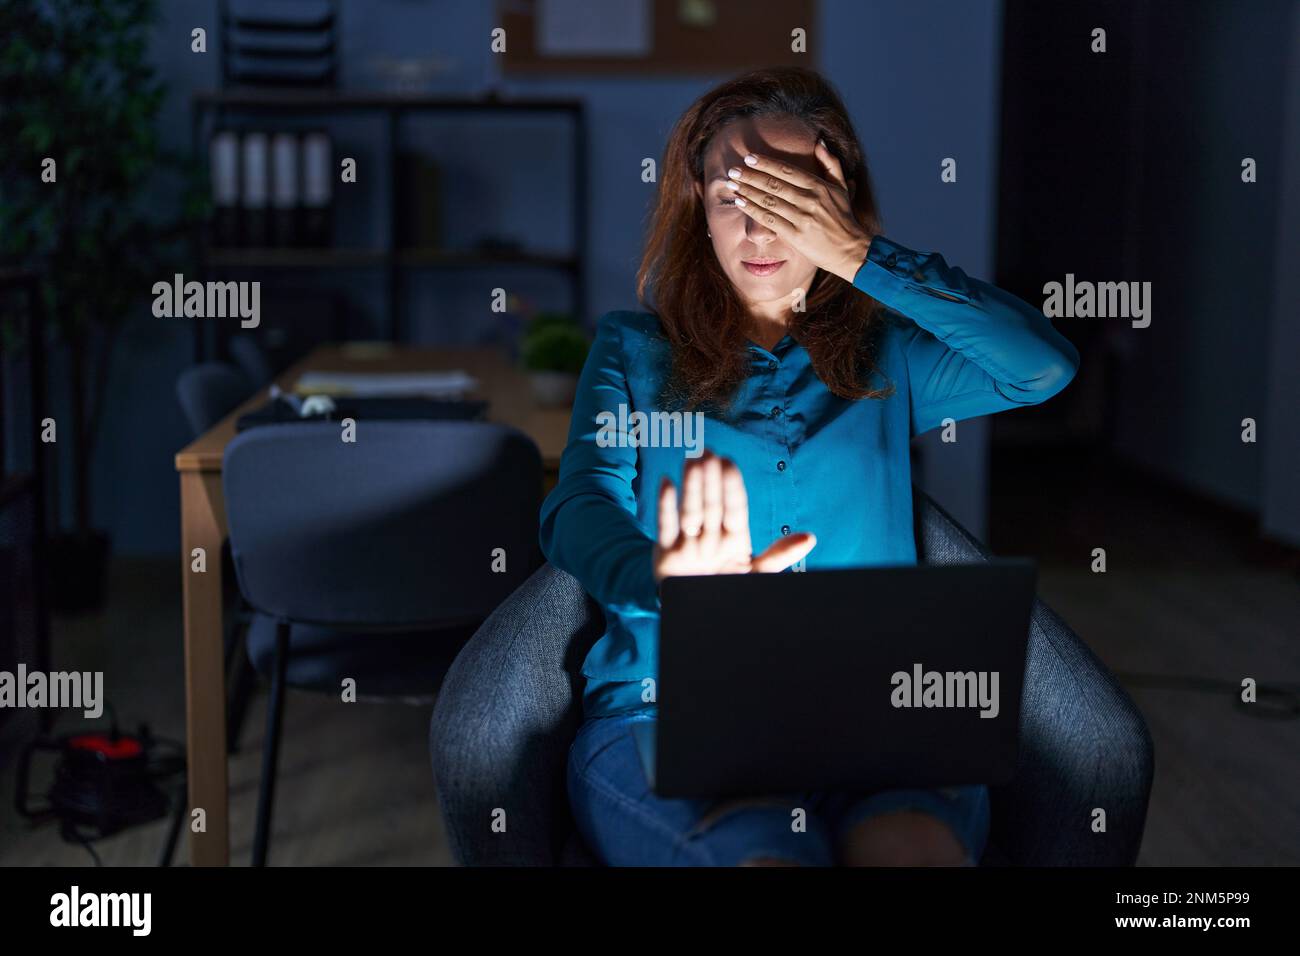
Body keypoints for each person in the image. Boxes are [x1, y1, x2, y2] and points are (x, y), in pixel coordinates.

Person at [539, 67, 1079, 866]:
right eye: (733, 201)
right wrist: (659, 578)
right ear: (700, 209)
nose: (760, 234)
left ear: (837, 207)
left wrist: (865, 258)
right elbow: (577, 503)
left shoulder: (887, 354)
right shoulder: (632, 349)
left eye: (791, 204)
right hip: (668, 706)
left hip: (870, 717)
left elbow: (1041, 368)